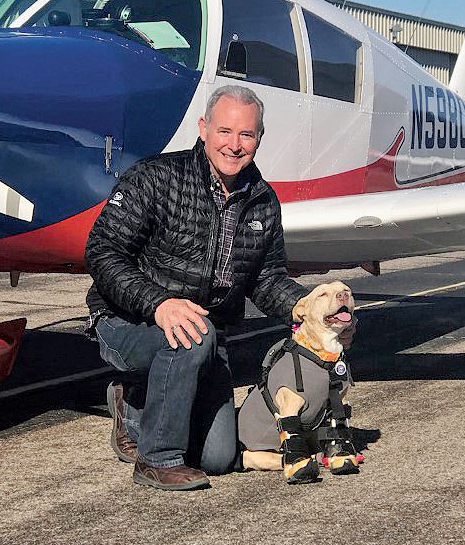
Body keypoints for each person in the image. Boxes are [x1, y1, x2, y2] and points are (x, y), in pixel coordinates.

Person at [84, 84, 308, 490]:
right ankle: (157, 459)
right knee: (194, 335)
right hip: (126, 320)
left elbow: (267, 279)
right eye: (225, 131)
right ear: (204, 128)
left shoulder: (263, 201)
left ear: (259, 138)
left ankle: (136, 399)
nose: (235, 145)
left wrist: (311, 309)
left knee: (218, 458)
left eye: (246, 135)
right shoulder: (155, 177)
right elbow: (102, 251)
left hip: (202, 335)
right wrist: (158, 304)